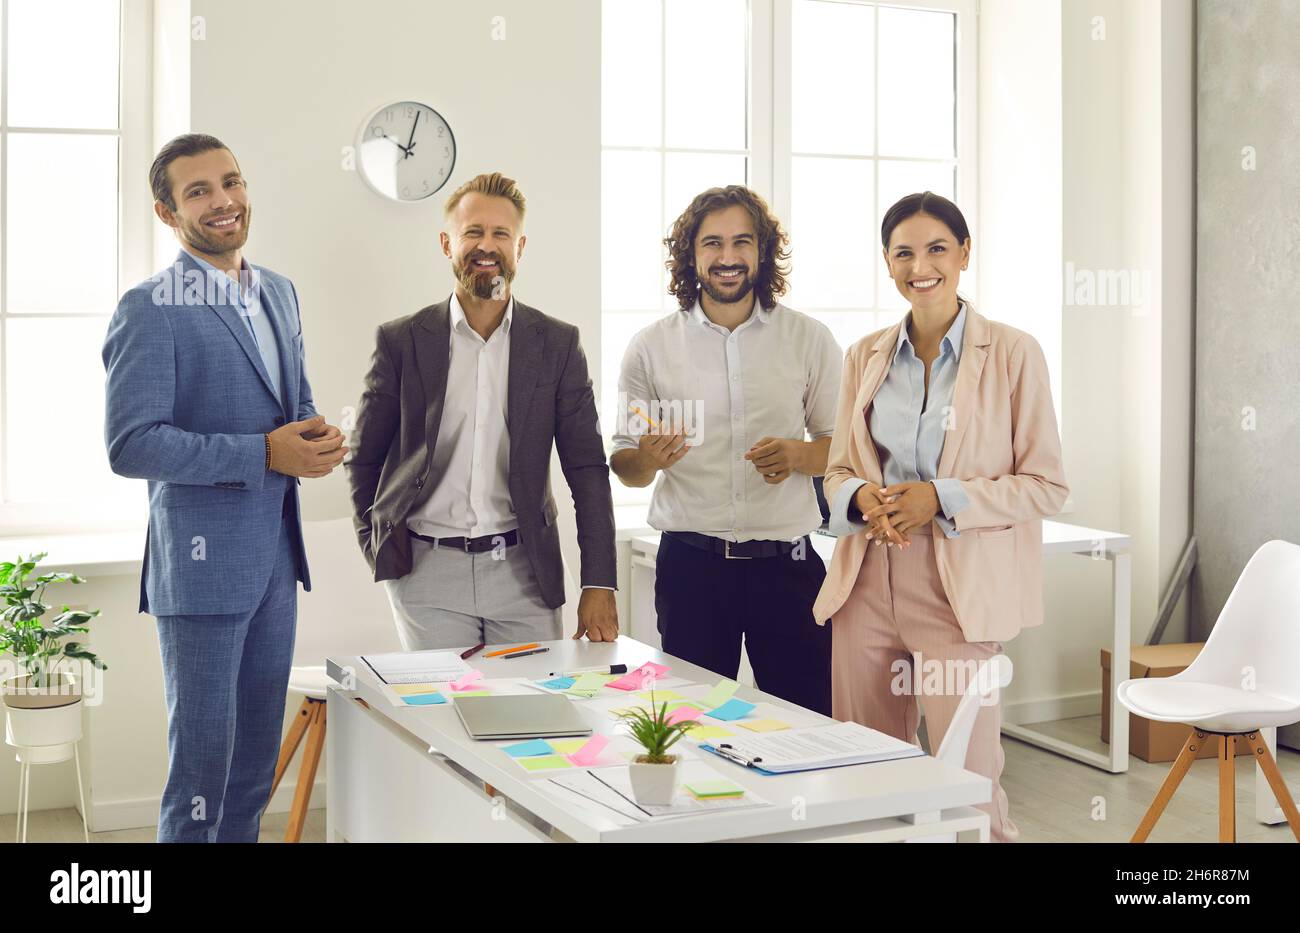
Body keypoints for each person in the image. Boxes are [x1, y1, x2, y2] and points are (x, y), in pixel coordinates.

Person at [103, 133, 346, 842]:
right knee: (201, 774)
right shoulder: (149, 308)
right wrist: (263, 453)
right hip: (204, 570)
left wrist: (313, 438)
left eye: (231, 182)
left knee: (248, 775)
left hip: (276, 560)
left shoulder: (280, 291)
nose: (224, 201)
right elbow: (131, 443)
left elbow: (291, 401)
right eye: (199, 191)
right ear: (165, 211)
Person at [815, 190, 1069, 842]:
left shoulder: (1013, 354)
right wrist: (861, 498)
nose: (919, 265)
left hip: (958, 592)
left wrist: (942, 496)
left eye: (935, 248)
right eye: (904, 252)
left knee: (968, 784)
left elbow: (1045, 485)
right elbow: (841, 469)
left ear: (963, 254)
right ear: (886, 261)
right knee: (866, 776)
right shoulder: (864, 355)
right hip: (867, 580)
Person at [347, 172, 618, 649]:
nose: (486, 246)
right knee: (441, 719)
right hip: (427, 573)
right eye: (473, 232)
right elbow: (365, 456)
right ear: (446, 242)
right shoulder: (402, 340)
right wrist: (379, 549)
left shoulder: (557, 344)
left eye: (500, 234)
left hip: (524, 571)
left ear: (520, 246)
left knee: (532, 717)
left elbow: (587, 469)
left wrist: (600, 580)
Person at [611, 186, 841, 715]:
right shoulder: (651, 346)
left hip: (789, 566)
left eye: (742, 241)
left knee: (805, 722)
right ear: (691, 255)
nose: (728, 256)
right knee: (693, 725)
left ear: (762, 252)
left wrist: (799, 457)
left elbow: (848, 450)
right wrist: (648, 458)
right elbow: (625, 465)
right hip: (692, 569)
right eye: (712, 243)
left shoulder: (809, 339)